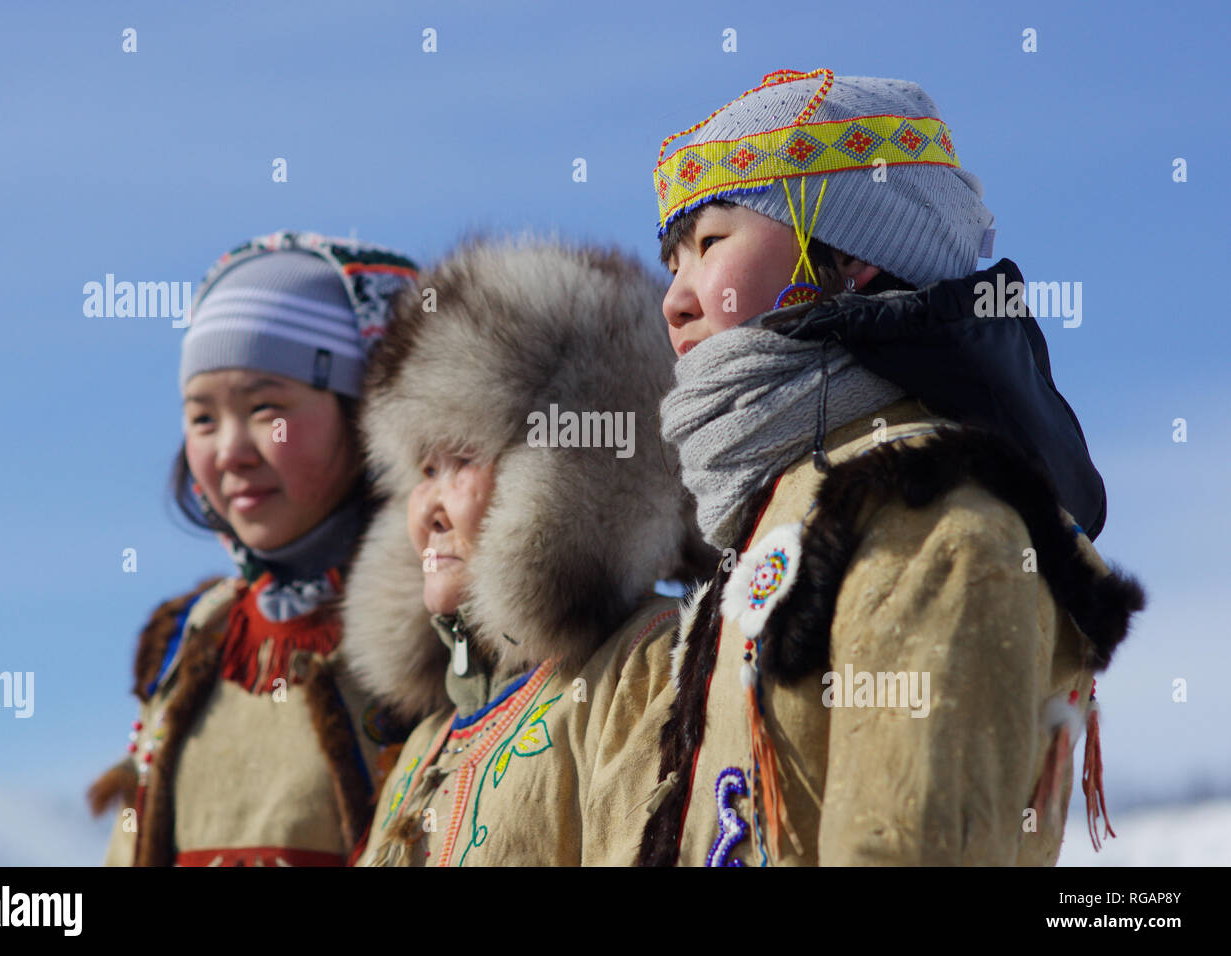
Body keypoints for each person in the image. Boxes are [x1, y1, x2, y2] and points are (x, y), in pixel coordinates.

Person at [638, 69, 1146, 865]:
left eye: (710, 243)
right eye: (672, 261)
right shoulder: (773, 516)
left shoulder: (930, 510)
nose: (675, 298)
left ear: (852, 254)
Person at [341, 236, 711, 866]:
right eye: (422, 469)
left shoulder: (647, 671)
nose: (428, 507)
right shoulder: (426, 742)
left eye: (460, 460)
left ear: (563, 475)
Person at [86, 230, 420, 866]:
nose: (230, 450)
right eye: (202, 418)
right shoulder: (193, 643)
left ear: (370, 414)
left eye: (268, 409)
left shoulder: (439, 639)